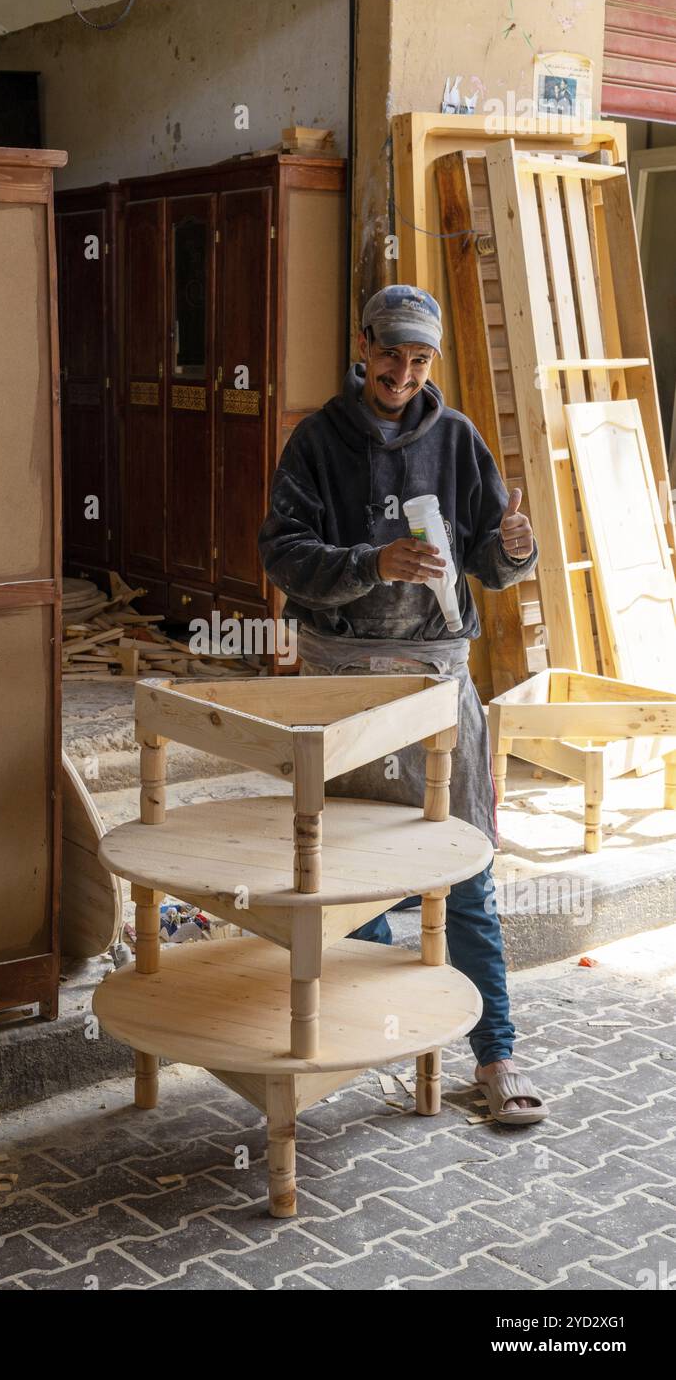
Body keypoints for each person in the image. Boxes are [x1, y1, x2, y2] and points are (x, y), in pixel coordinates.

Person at [258, 284, 548, 1125]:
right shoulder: (316, 441)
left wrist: (513, 550)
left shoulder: (456, 440)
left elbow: (491, 562)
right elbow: (283, 553)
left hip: (433, 677)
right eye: (391, 355)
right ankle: (363, 1045)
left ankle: (495, 1054)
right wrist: (370, 564)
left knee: (464, 868)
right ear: (363, 346)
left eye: (420, 361)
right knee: (351, 874)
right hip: (342, 676)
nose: (403, 373)